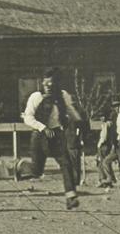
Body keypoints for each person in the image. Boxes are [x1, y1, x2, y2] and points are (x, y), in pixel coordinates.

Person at [22, 68, 82, 209]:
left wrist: (80, 122)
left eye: (51, 84)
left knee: (66, 163)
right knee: (37, 171)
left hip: (56, 135)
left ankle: (71, 196)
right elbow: (28, 117)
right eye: (45, 83)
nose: (47, 86)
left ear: (57, 84)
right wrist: (43, 127)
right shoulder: (36, 97)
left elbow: (71, 111)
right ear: (42, 82)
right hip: (39, 135)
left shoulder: (63, 96)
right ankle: (21, 167)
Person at [96, 107, 117, 188]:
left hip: (103, 145)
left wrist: (99, 144)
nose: (101, 118)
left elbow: (104, 137)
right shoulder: (108, 124)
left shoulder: (106, 124)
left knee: (101, 162)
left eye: (103, 116)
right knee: (103, 163)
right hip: (106, 145)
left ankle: (105, 179)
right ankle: (107, 179)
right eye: (100, 117)